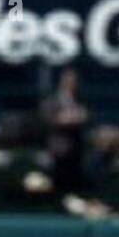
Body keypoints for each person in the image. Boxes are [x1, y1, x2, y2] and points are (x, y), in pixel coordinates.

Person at [41, 67, 90, 198]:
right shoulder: (52, 100)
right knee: (59, 187)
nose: (72, 83)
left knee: (75, 187)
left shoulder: (79, 99)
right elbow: (51, 119)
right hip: (59, 151)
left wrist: (72, 117)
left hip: (77, 150)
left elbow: (85, 116)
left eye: (74, 80)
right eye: (69, 80)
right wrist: (68, 118)